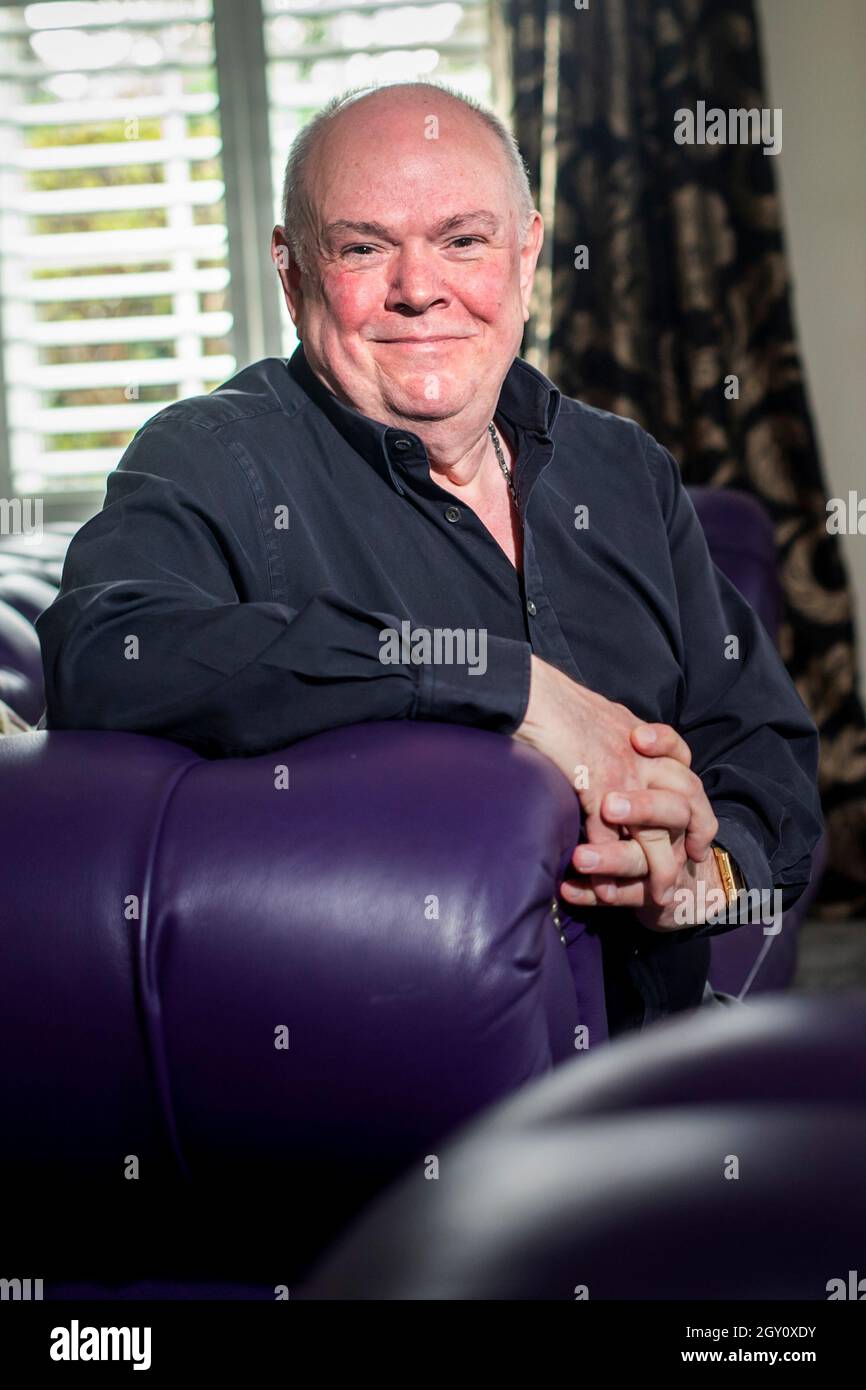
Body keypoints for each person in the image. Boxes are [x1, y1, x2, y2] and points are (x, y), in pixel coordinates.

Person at [36, 83, 822, 1034]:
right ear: (291, 274)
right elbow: (104, 653)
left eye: (463, 240)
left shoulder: (623, 468)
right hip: (409, 1081)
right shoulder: (209, 457)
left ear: (527, 254)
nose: (419, 288)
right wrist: (507, 685)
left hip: (673, 1057)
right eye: (362, 247)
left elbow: (762, 742)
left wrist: (711, 873)